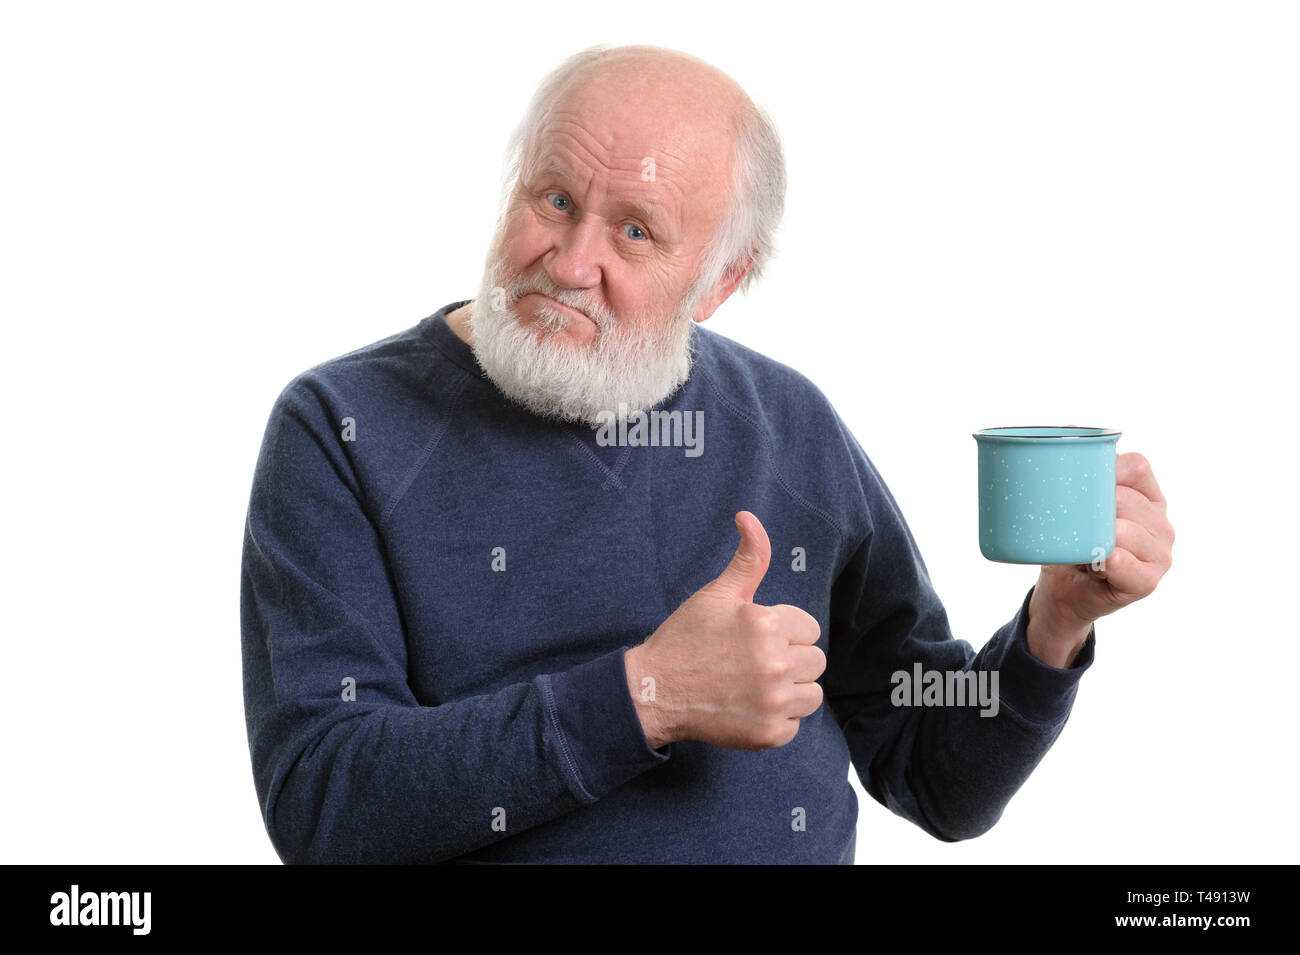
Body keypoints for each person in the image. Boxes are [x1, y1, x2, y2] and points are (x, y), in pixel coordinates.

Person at [239, 44, 1175, 864]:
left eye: (635, 231)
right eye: (555, 198)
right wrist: (645, 695)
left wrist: (1052, 626)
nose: (569, 261)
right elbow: (321, 801)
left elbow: (935, 775)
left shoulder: (790, 423)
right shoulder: (340, 426)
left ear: (722, 280)